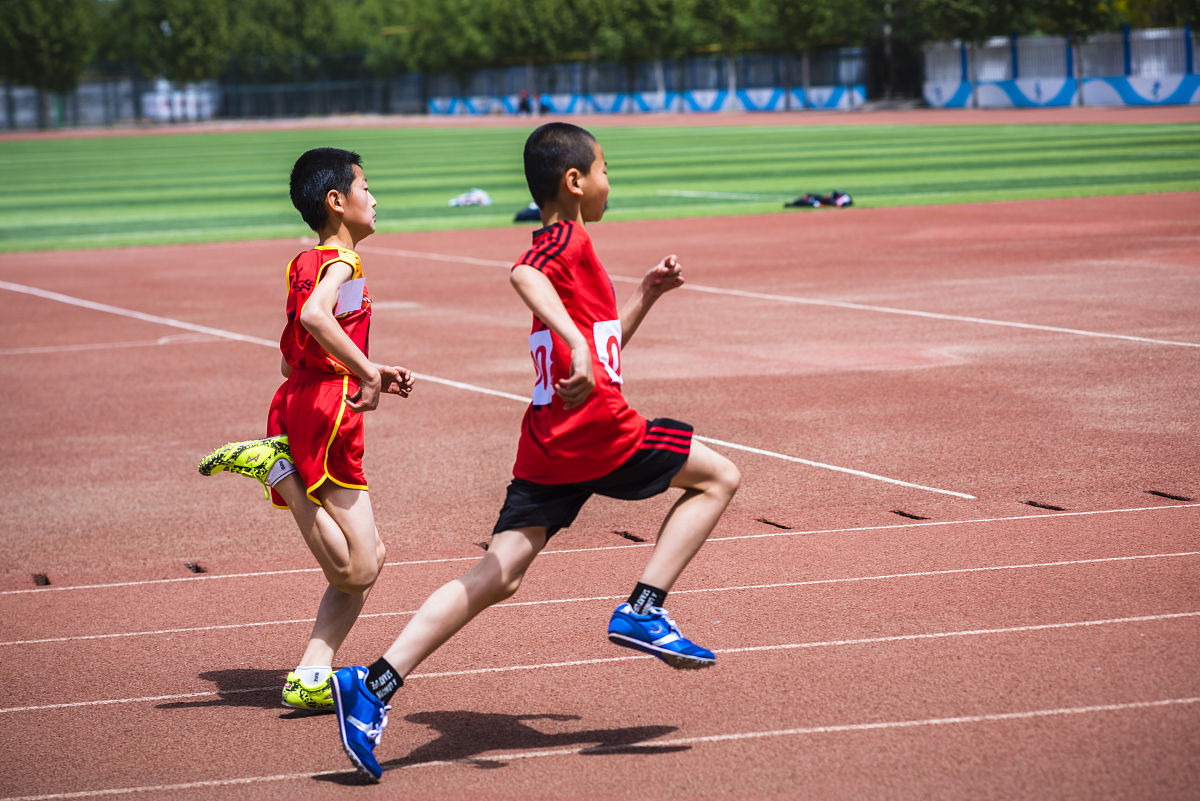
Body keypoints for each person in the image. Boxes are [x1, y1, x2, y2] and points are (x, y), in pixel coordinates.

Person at [328, 122, 741, 782]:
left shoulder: (582, 254)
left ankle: (372, 683)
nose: (611, 182)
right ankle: (643, 608)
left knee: (501, 572)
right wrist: (575, 343)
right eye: (607, 169)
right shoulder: (562, 238)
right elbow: (524, 273)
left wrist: (641, 298)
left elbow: (603, 350)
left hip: (550, 439)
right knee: (720, 475)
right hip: (595, 431)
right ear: (574, 182)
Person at [197, 147, 414, 714]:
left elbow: (294, 354)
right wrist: (365, 371)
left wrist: (368, 367)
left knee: (370, 560)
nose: (375, 197)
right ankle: (278, 470)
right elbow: (317, 318)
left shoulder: (303, 261)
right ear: (337, 202)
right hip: (329, 413)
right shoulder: (344, 263)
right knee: (359, 566)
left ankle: (312, 673)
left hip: (302, 398)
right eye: (367, 187)